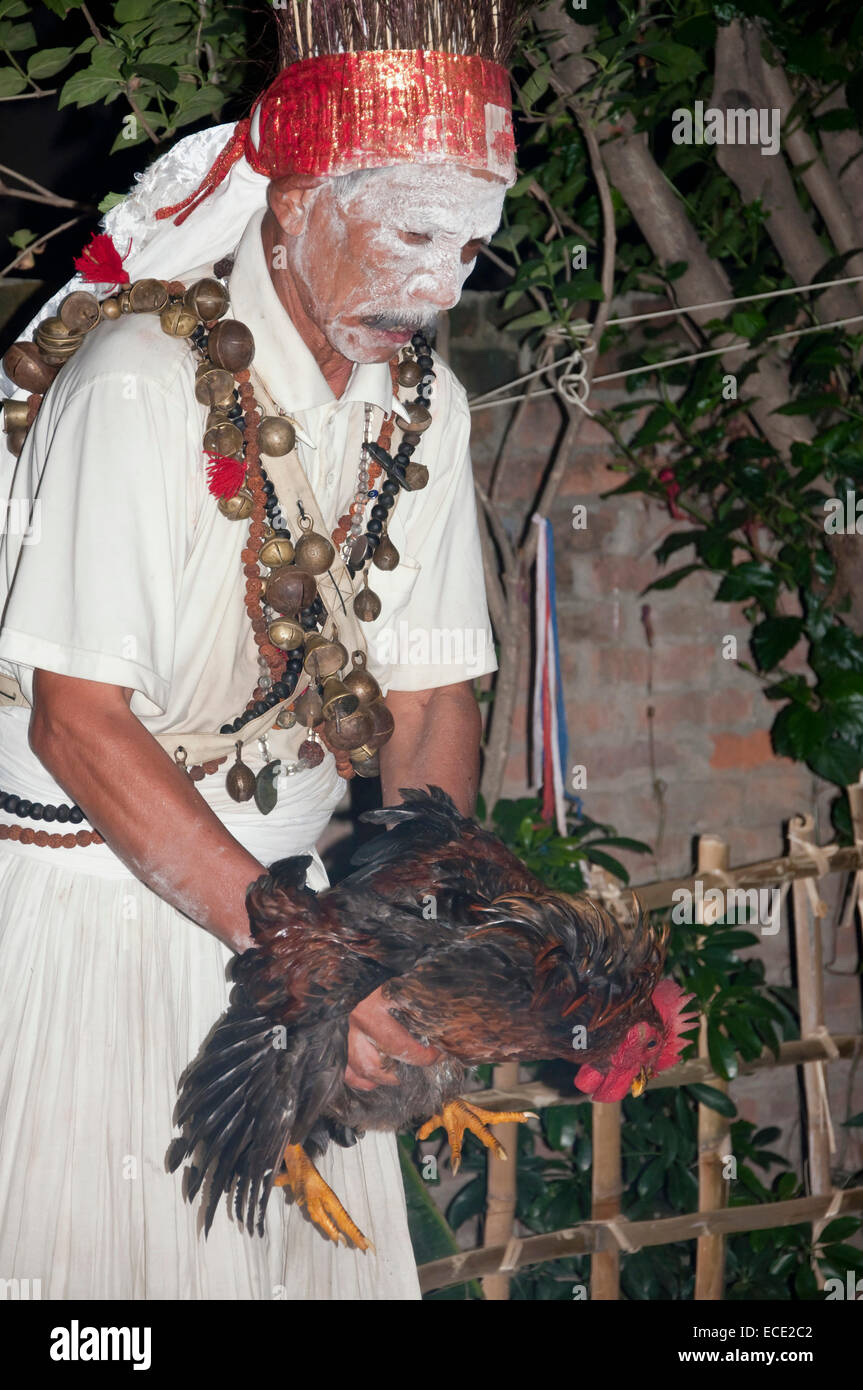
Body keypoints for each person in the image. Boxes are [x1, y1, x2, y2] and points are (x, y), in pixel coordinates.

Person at [0, 7, 520, 1300]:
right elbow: (77, 721)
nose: (443, 285)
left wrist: (412, 944)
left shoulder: (427, 406)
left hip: (316, 940)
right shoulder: (136, 381)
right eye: (412, 233)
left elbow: (430, 698)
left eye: (471, 244)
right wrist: (309, 958)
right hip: (104, 920)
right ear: (292, 206)